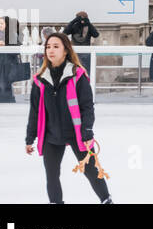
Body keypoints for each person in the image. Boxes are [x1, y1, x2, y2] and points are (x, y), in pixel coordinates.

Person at [25, 32, 111, 204]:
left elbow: (87, 106)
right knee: (52, 175)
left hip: (77, 133)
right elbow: (35, 111)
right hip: (51, 135)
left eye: (56, 46)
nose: (51, 50)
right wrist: (30, 137)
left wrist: (87, 131)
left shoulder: (77, 75)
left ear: (65, 50)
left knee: (91, 171)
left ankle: (106, 200)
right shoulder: (40, 79)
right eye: (48, 47)